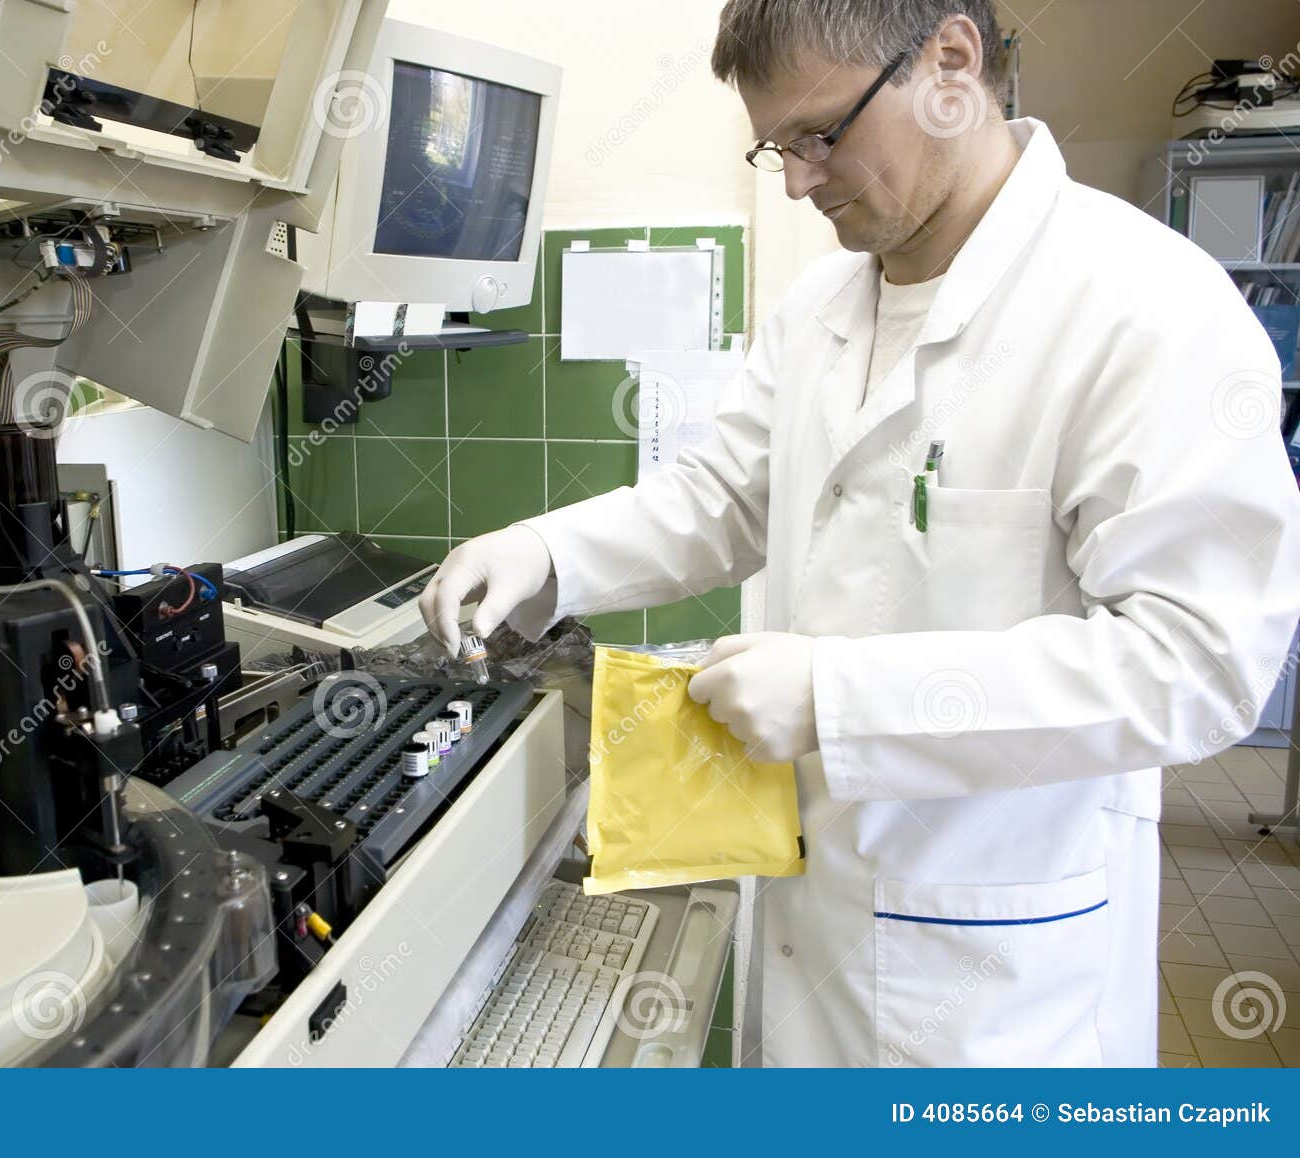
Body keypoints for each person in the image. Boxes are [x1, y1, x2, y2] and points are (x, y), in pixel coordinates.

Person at [418, 0, 1300, 1066]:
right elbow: (722, 500)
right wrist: (547, 556)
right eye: (775, 146)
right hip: (809, 918)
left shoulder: (1145, 309)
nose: (796, 180)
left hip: (987, 979)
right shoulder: (820, 306)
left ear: (950, 62)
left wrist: (841, 699)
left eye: (821, 133)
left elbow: (1198, 669)